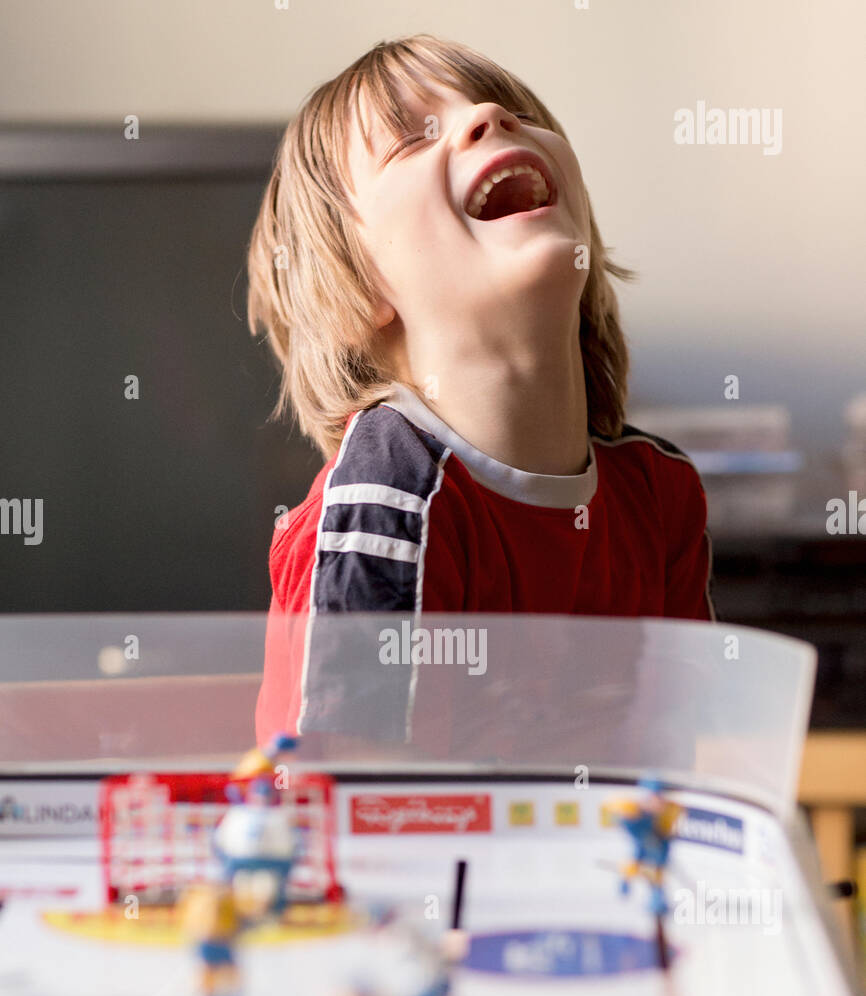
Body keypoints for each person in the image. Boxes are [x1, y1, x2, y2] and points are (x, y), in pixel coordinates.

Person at [247, 35, 714, 743]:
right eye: (410, 138)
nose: (489, 114)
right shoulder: (383, 508)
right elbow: (349, 809)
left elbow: (686, 768)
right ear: (357, 286)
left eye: (511, 109)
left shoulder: (660, 492)